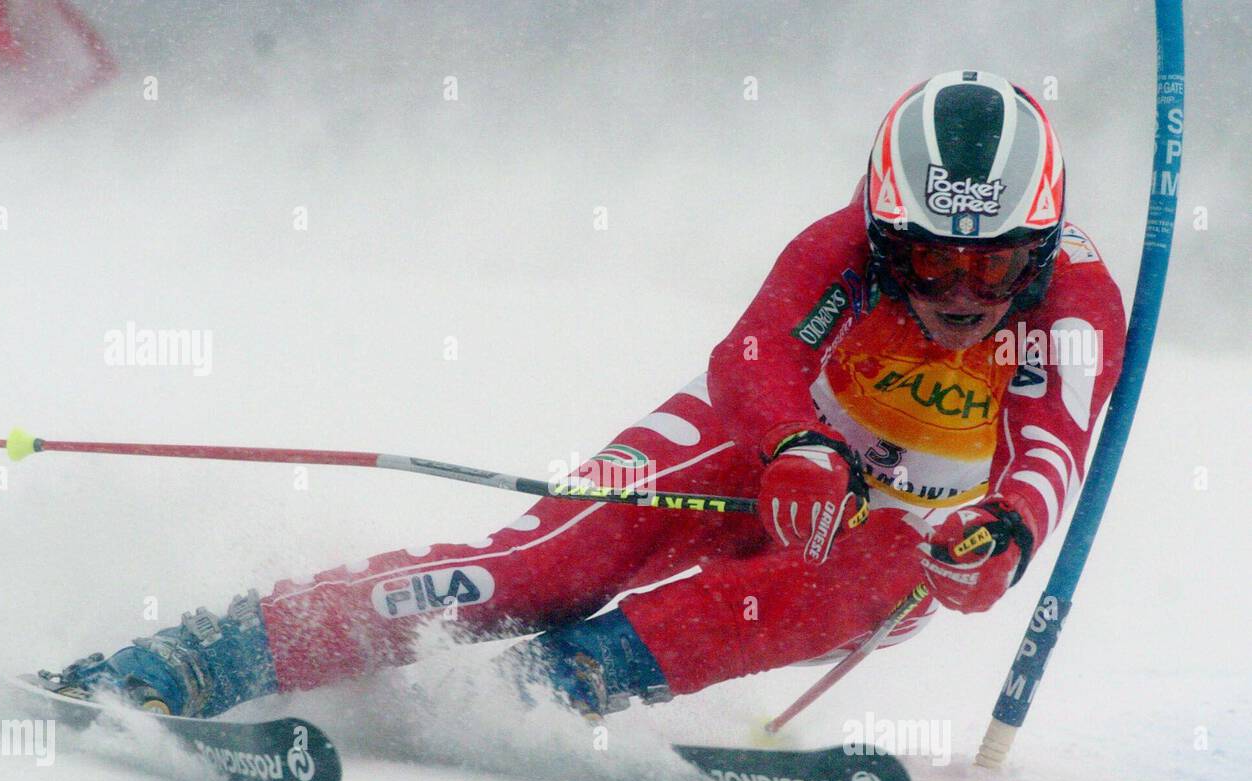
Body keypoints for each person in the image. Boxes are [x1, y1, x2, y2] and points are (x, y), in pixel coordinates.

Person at [54, 70, 1125, 720]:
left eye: (992, 269)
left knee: (903, 574)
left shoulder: (1073, 307)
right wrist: (799, 442)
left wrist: (1001, 535)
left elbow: (1053, 450)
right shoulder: (840, 248)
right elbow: (751, 354)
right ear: (882, 226)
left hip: (888, 525)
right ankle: (217, 648)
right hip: (754, 446)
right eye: (930, 263)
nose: (958, 296)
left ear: (1038, 247)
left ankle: (563, 682)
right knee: (541, 565)